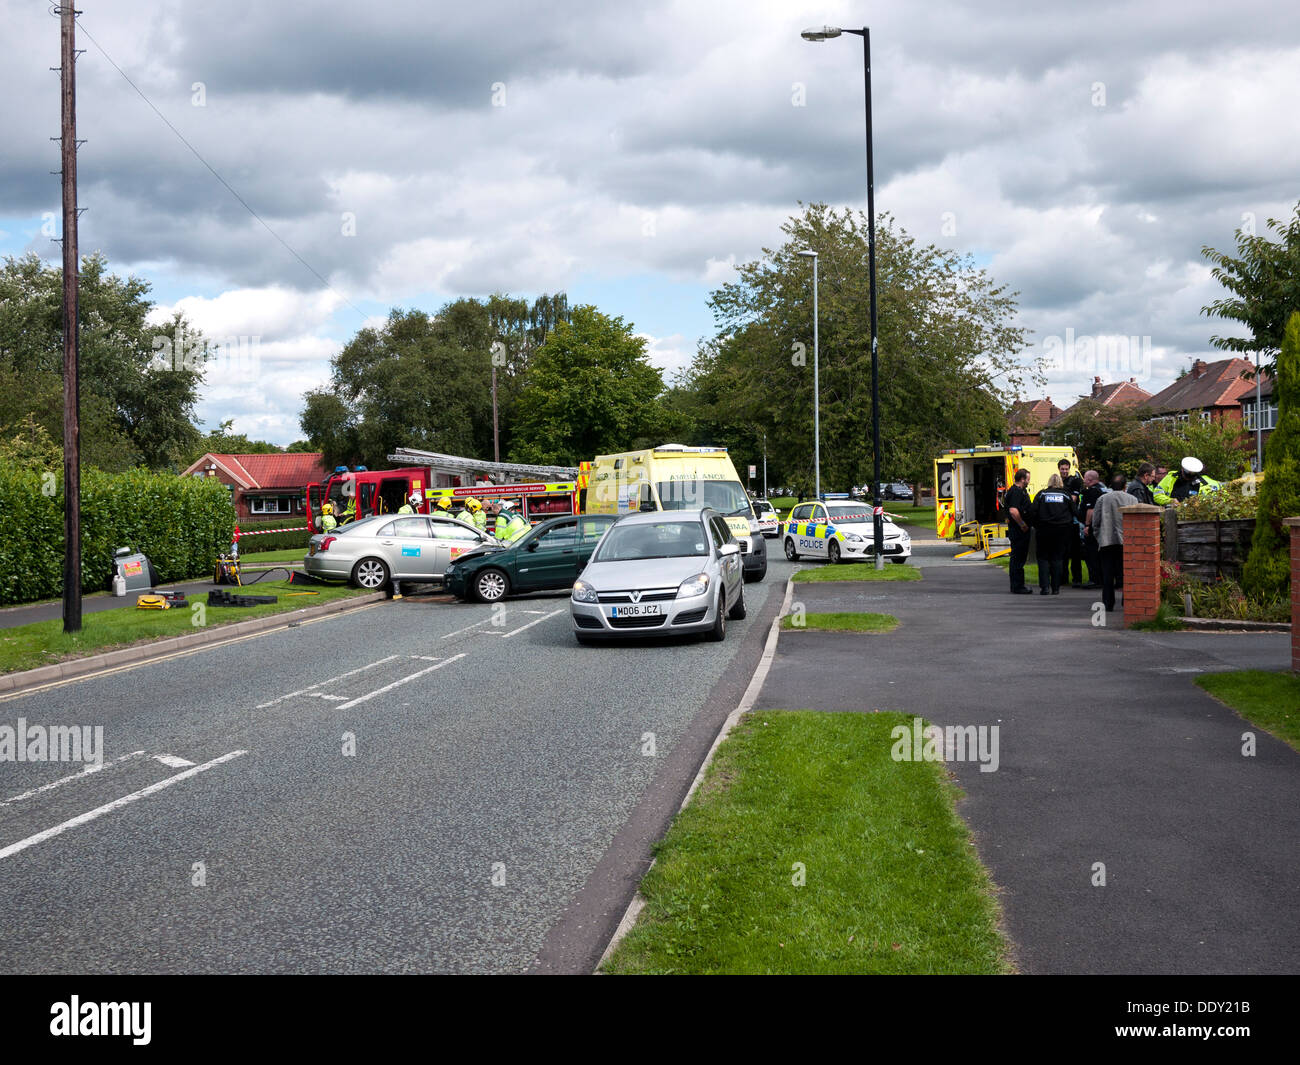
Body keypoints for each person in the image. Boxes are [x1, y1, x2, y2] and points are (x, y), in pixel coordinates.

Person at [1092, 474, 1138, 612]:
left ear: (1111, 486)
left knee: (1107, 575)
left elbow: (1096, 521)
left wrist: (1098, 536)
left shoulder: (1102, 499)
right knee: (1127, 573)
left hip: (1106, 541)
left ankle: (1108, 603)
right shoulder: (1133, 499)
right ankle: (1127, 602)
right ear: (1125, 486)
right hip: (1126, 541)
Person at [1033, 473, 1075, 595]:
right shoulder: (1066, 494)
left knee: (1043, 559)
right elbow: (1074, 511)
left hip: (1044, 530)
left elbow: (1033, 511)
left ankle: (1045, 587)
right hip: (1061, 531)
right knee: (1057, 559)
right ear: (1061, 483)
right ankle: (1056, 588)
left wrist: (1036, 525)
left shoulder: (1042, 494)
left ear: (1049, 482)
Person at [1002, 468, 1034, 595]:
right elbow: (1013, 511)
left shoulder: (1018, 491)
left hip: (1018, 530)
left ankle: (1017, 585)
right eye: (1028, 479)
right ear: (1022, 479)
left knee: (1018, 558)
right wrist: (1023, 525)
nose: (1028, 481)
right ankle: (1018, 586)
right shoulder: (1016, 492)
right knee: (1018, 559)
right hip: (1019, 531)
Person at [1056, 458, 1085, 586]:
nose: (1064, 471)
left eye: (1066, 469)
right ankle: (1063, 579)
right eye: (1062, 469)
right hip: (1061, 522)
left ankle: (1077, 578)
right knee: (1062, 553)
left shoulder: (1075, 480)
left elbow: (1073, 499)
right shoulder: (1057, 481)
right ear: (1059, 469)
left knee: (1075, 552)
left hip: (1072, 521)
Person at [1153, 456, 1222, 505]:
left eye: (1191, 477)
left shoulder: (1202, 483)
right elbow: (1157, 495)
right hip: (1171, 515)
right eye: (1187, 476)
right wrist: (1170, 501)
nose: (1188, 479)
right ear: (1182, 469)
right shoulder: (1171, 478)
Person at [1078, 470, 1105, 589]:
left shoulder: (1092, 492)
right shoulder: (1102, 489)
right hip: (1100, 526)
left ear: (1089, 479)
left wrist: (1087, 525)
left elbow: (1090, 510)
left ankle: (1094, 579)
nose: (1083, 480)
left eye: (1085, 478)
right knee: (1097, 554)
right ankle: (1099, 578)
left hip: (1092, 527)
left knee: (1091, 554)